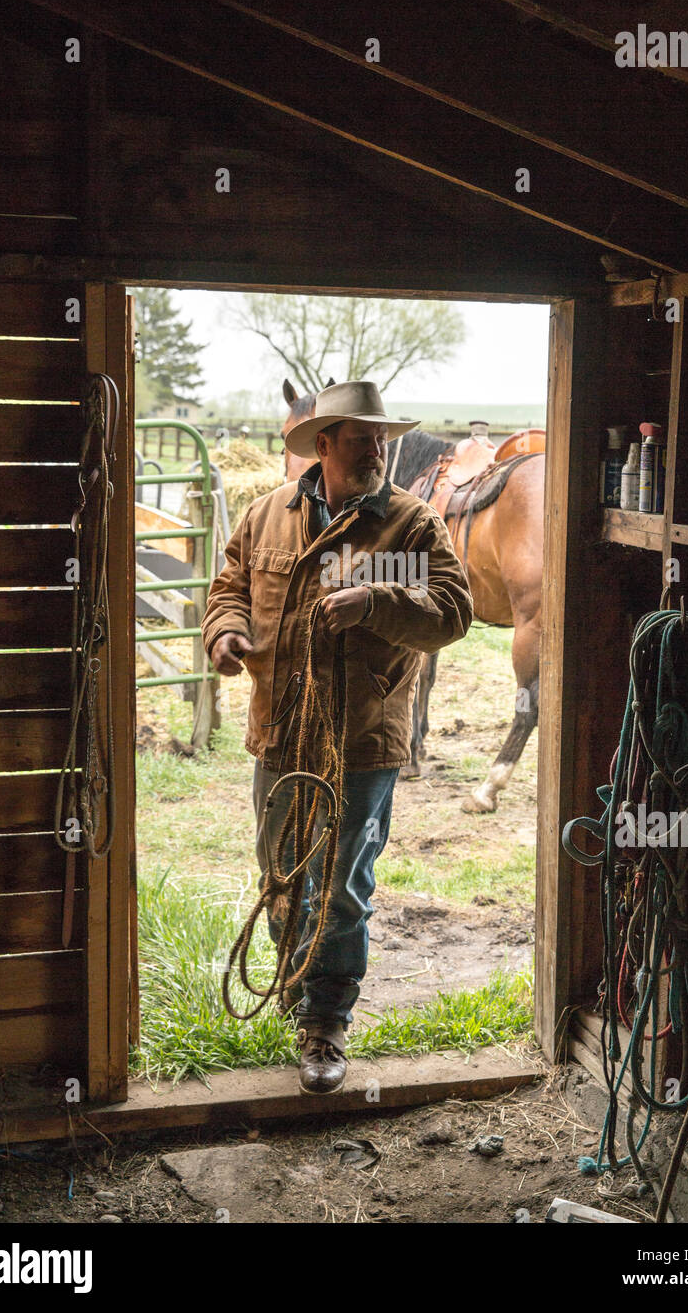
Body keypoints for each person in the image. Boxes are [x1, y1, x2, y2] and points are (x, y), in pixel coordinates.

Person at [201, 381, 473, 1093]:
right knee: (283, 874)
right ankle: (294, 992)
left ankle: (325, 1022)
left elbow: (450, 611)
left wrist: (376, 600)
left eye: (381, 438)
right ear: (322, 446)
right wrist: (226, 632)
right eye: (362, 439)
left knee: (344, 887)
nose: (378, 450)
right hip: (281, 733)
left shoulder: (411, 526)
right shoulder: (267, 516)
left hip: (362, 738)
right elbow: (227, 584)